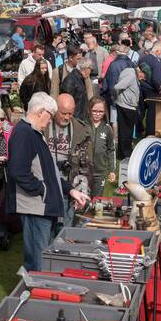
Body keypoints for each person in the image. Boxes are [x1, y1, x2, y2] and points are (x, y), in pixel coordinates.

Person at [6, 93, 89, 271]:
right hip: (35, 207)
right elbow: (18, 171)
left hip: (41, 206)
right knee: (38, 260)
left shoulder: (33, 132)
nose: (50, 120)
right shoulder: (24, 132)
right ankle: (33, 292)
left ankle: (38, 290)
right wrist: (42, 190)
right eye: (50, 115)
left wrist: (70, 190)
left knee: (44, 257)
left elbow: (48, 172)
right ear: (41, 111)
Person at [47, 92, 93, 225]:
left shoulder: (81, 130)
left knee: (65, 225)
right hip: (47, 182)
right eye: (63, 113)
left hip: (70, 182)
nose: (67, 117)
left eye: (70, 113)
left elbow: (86, 166)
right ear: (55, 109)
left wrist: (82, 189)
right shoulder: (44, 125)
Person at [87, 99, 117, 198]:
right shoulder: (83, 126)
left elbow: (111, 150)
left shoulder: (107, 129)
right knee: (83, 199)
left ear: (105, 112)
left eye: (101, 111)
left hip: (100, 172)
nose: (97, 114)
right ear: (89, 110)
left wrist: (112, 170)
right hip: (84, 171)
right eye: (94, 111)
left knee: (97, 199)